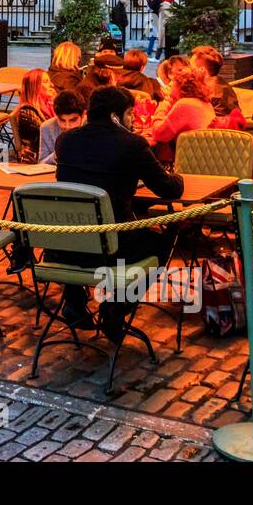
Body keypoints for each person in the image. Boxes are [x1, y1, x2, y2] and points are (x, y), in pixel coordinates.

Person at [53, 87, 183, 339]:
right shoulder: (132, 144)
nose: (133, 119)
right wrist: (177, 175)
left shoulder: (65, 141)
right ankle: (118, 306)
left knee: (88, 222)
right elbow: (168, 188)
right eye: (130, 113)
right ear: (115, 116)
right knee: (165, 236)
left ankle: (74, 299)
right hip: (113, 246)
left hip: (66, 245)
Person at [146, 67, 216, 151]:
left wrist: (164, 104)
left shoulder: (185, 104)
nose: (170, 87)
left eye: (172, 83)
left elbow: (158, 134)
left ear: (182, 86)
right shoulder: (206, 104)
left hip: (189, 160)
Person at [12, 69, 57, 164]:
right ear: (34, 87)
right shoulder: (27, 112)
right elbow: (48, 138)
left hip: (48, 157)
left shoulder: (48, 106)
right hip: (35, 162)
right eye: (46, 82)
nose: (52, 85)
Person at [189, 45, 241, 117]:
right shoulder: (224, 85)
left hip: (212, 127)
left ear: (202, 70)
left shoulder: (204, 91)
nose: (190, 71)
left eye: (192, 68)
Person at [38, 89, 86, 164]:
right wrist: (57, 153)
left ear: (83, 115)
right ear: (56, 116)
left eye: (73, 120)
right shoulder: (46, 128)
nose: (67, 126)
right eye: (62, 120)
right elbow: (41, 162)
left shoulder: (92, 126)